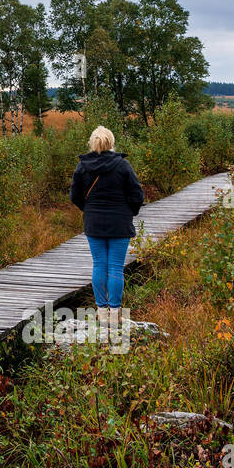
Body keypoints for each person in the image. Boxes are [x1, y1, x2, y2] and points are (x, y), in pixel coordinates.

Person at [70, 125, 145, 336]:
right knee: (115, 267)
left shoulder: (83, 166)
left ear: (92, 143)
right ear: (111, 142)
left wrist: (89, 209)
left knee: (99, 265)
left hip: (94, 224)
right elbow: (137, 194)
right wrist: (130, 211)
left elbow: (75, 195)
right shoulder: (122, 165)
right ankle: (115, 313)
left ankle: (101, 312)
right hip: (120, 223)